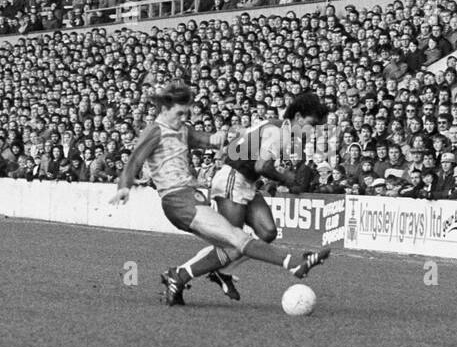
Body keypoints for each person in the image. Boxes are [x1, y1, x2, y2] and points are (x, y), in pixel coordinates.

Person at [110, 83, 330, 306]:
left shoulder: (183, 129)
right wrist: (124, 186)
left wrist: (223, 137)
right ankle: (291, 263)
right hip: (193, 192)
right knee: (234, 241)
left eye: (186, 113)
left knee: (256, 236)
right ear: (164, 109)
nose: (183, 118)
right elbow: (135, 159)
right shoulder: (156, 130)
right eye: (179, 113)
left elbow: (209, 140)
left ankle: (186, 275)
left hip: (201, 192)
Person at [191, 91, 333, 301]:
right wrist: (287, 179)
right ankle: (181, 274)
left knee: (267, 232)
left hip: (245, 182)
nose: (312, 131)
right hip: (233, 179)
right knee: (231, 242)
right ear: (299, 117)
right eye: (311, 124)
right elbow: (262, 165)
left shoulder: (275, 125)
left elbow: (245, 151)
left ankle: (223, 272)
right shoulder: (279, 133)